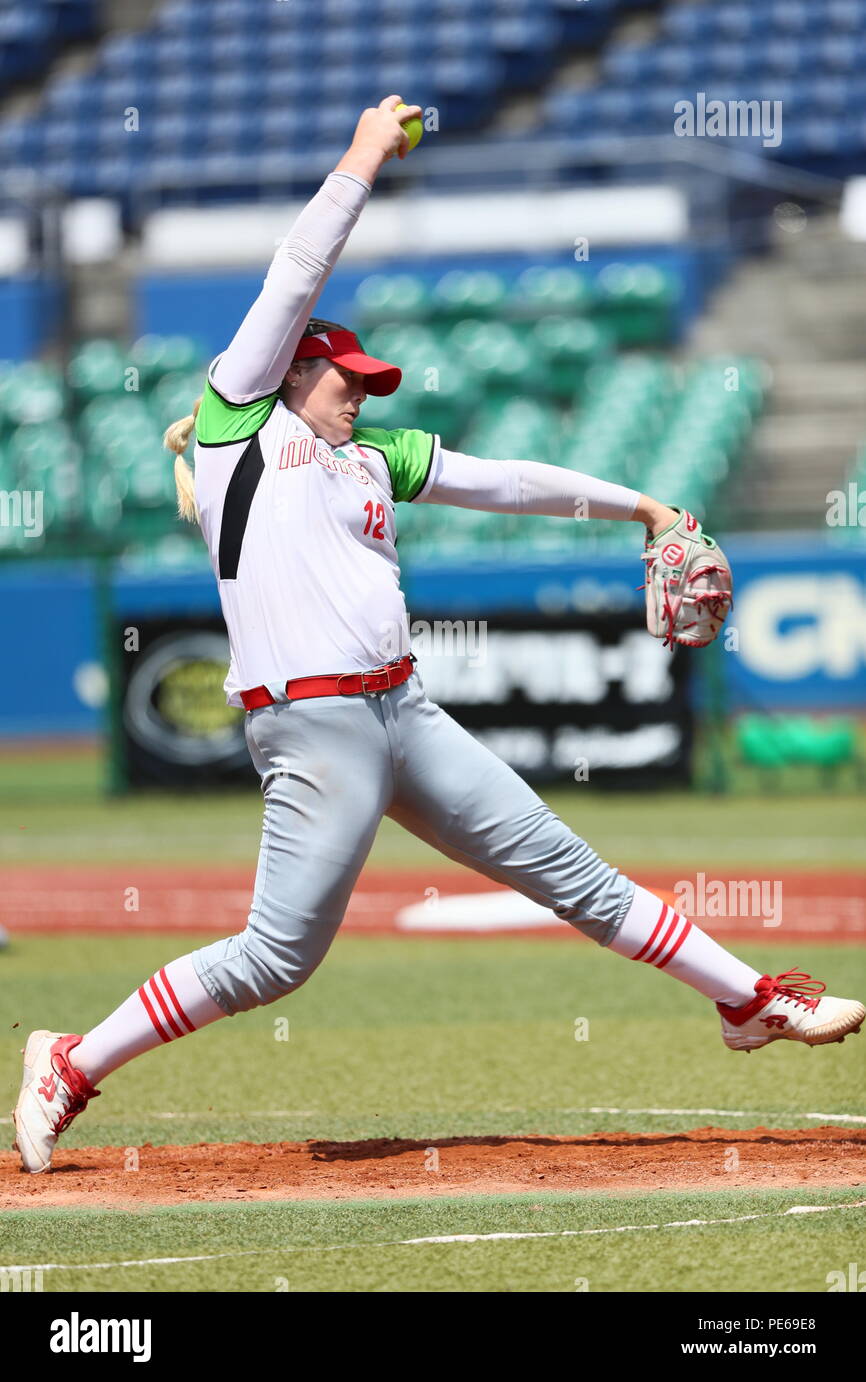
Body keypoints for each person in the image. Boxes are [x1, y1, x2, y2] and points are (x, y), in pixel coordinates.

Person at [13, 97, 863, 1175]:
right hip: (314, 725)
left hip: (399, 707)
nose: (359, 398)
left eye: (368, 385)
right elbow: (296, 269)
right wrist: (363, 154)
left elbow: (507, 482)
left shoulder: (369, 459)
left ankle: (748, 1001)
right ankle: (70, 1061)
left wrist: (642, 505)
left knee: (574, 873)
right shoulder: (242, 421)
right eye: (345, 380)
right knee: (276, 958)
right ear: (288, 375)